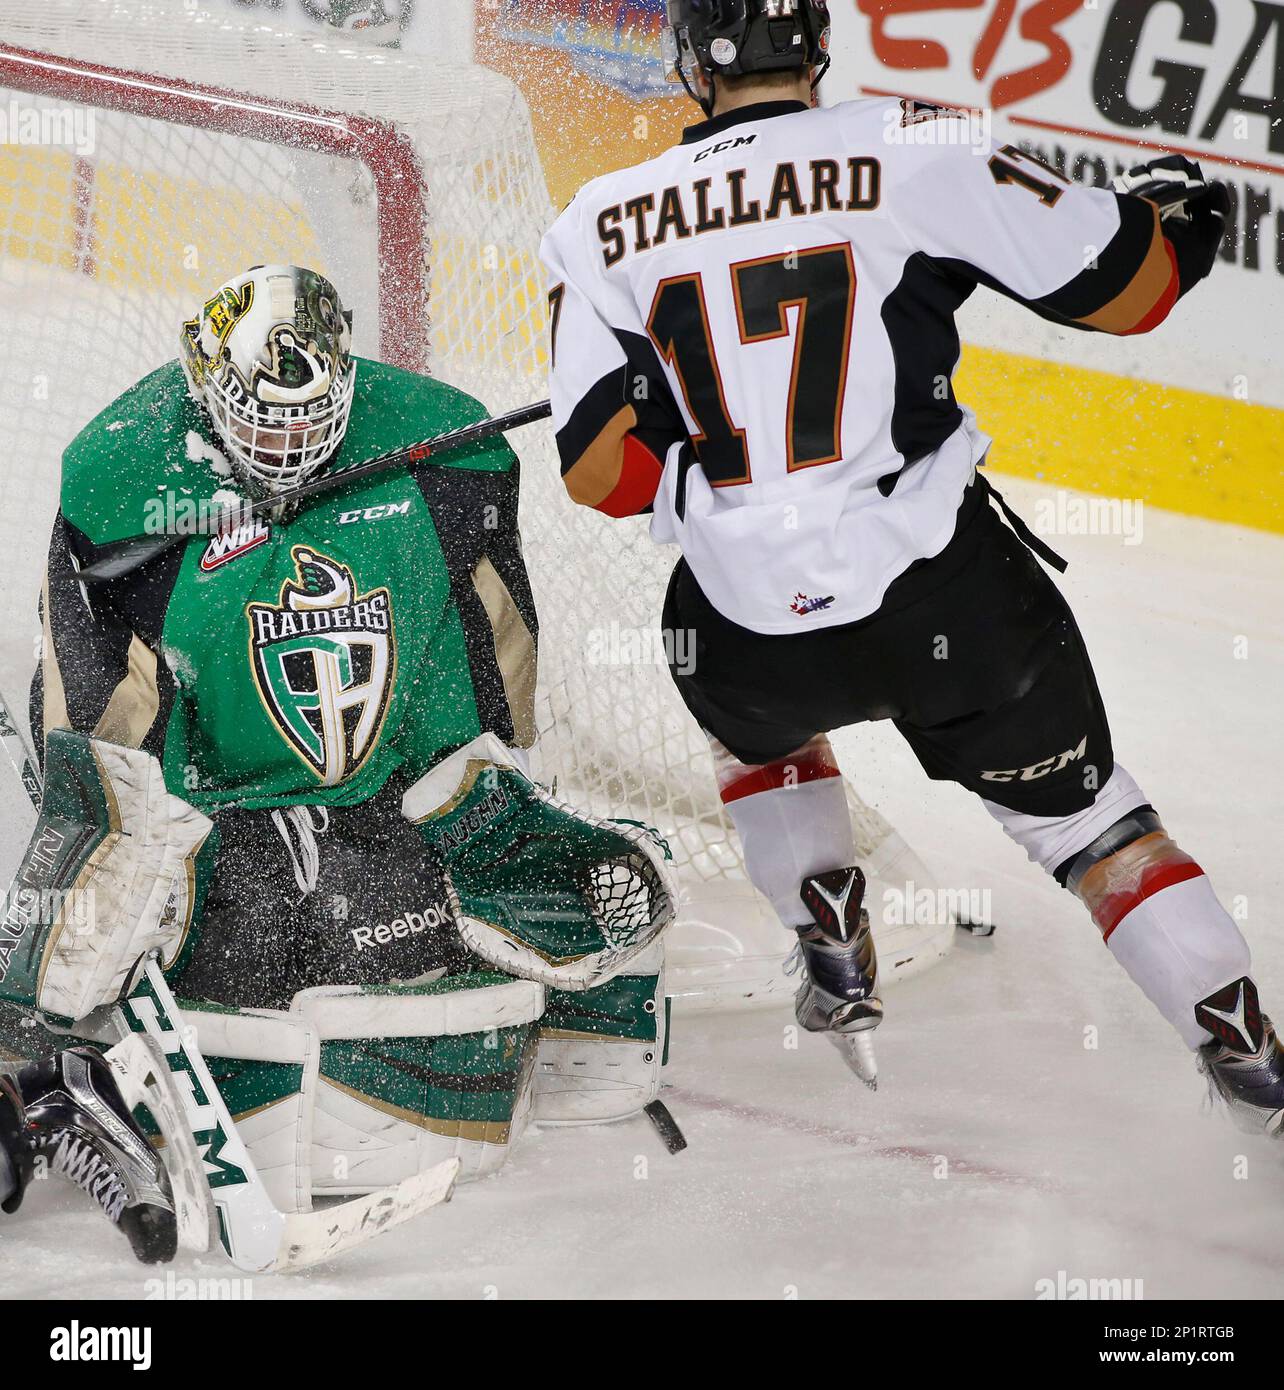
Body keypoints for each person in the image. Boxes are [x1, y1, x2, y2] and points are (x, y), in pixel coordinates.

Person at [539, 0, 1280, 1128]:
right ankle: (1246, 1054)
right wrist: (1178, 218)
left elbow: (601, 476)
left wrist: (678, 418)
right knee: (1093, 830)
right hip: (951, 606)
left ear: (692, 62)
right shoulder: (914, 139)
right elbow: (1132, 292)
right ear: (820, 46)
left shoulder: (598, 222)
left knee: (753, 725)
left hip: (749, 639)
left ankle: (829, 932)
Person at [0, 264, 675, 1237]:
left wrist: (506, 776)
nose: (283, 447)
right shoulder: (120, 481)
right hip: (217, 827)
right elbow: (89, 730)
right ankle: (56, 1080)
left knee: (476, 884)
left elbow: (500, 663)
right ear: (206, 386)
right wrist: (105, 842)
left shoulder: (447, 453)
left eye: (305, 425)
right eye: (259, 425)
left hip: (380, 814)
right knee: (153, 922)